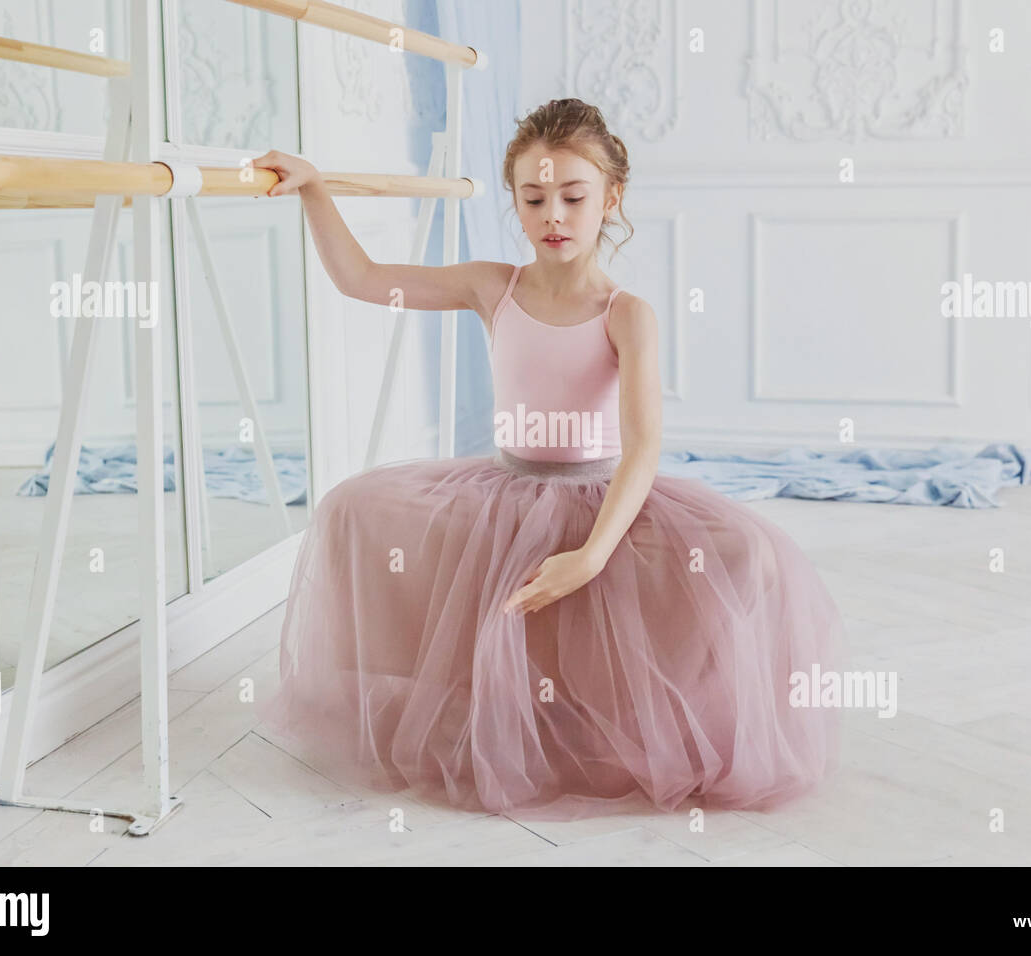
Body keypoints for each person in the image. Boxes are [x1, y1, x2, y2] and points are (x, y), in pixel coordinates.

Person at [251, 98, 845, 822]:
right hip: (508, 486)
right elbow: (362, 279)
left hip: (600, 495)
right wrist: (314, 187)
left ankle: (642, 721)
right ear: (517, 203)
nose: (553, 215)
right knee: (351, 506)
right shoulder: (491, 286)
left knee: (749, 555)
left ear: (610, 199)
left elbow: (644, 444)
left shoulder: (625, 313)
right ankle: (484, 712)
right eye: (534, 199)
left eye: (572, 196)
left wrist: (593, 554)